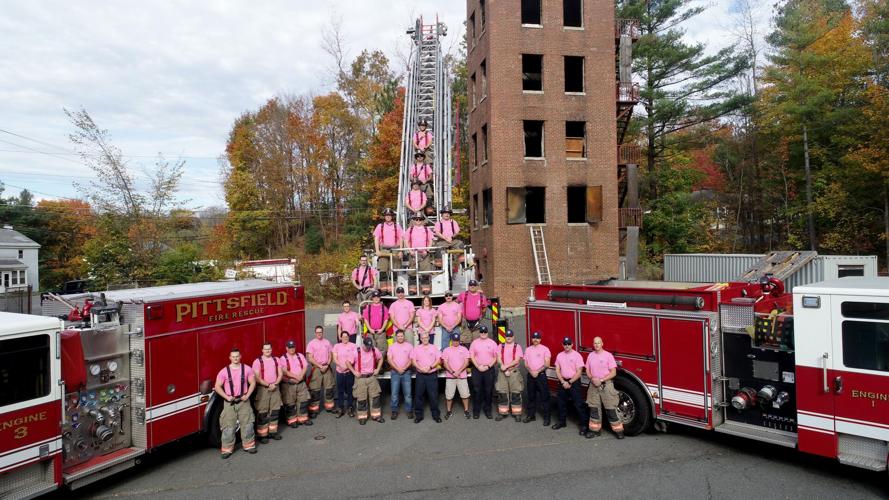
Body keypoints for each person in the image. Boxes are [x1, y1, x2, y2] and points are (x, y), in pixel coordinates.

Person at [214, 348, 257, 458]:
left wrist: (247, 396)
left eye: (237, 356)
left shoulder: (247, 369)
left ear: (240, 356)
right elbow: (217, 386)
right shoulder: (224, 371)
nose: (235, 358)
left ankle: (249, 445)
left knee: (247, 424)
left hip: (244, 401)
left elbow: (253, 383)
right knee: (228, 426)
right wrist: (227, 397)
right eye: (233, 356)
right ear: (230, 358)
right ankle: (227, 449)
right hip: (230, 403)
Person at [584, 336, 624, 439]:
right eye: (595, 343)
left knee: (611, 408)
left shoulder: (608, 356)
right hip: (593, 385)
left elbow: (613, 372)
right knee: (594, 408)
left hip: (606, 385)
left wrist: (601, 380)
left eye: (598, 343)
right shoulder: (590, 356)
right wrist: (592, 378)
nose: (596, 345)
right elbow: (587, 370)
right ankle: (594, 430)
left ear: (602, 343)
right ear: (593, 345)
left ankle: (619, 431)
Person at [553, 337, 591, 437]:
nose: (567, 346)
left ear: (572, 344)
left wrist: (569, 382)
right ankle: (562, 422)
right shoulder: (559, 355)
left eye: (569, 344)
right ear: (562, 345)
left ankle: (584, 426)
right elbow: (557, 369)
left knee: (579, 405)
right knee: (561, 404)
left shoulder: (577, 355)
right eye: (565, 344)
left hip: (574, 382)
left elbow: (579, 371)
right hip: (563, 382)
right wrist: (562, 381)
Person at [252, 342, 283, 443]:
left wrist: (275, 384)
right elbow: (257, 377)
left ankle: (273, 432)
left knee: (275, 411)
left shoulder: (276, 359)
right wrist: (268, 385)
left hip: (275, 387)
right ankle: (262, 435)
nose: (267, 351)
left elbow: (280, 374)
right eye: (265, 349)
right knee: (263, 412)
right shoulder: (257, 361)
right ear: (262, 350)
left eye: (269, 349)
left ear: (271, 349)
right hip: (263, 389)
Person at [351, 337, 385, 425]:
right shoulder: (356, 351)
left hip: (372, 377)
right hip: (361, 379)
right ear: (363, 344)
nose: (368, 348)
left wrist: (378, 369)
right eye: (367, 346)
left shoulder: (374, 350)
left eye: (370, 346)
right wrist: (354, 372)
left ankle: (376, 416)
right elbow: (348, 362)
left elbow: (381, 358)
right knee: (361, 398)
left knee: (375, 397)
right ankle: (362, 417)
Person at [410, 331, 442, 423]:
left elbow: (438, 360)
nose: (425, 339)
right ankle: (419, 416)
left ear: (429, 338)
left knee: (433, 396)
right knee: (419, 396)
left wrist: (430, 367)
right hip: (420, 375)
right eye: (423, 338)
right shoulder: (416, 349)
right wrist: (420, 368)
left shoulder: (434, 348)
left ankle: (436, 415)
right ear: (420, 338)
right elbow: (413, 361)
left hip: (431, 375)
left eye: (426, 337)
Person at [280, 340, 312, 429]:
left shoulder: (300, 355)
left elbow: (305, 366)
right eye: (290, 347)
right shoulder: (283, 359)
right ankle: (292, 420)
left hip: (301, 383)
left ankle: (303, 418)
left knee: (303, 401)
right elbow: (284, 371)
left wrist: (301, 376)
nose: (292, 349)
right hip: (289, 384)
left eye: (293, 347)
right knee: (290, 403)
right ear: (286, 348)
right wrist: (296, 377)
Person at [495, 329, 524, 422]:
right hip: (502, 373)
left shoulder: (517, 346)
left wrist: (506, 367)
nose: (508, 338)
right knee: (502, 392)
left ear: (513, 337)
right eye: (507, 336)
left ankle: (517, 413)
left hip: (513, 372)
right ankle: (503, 412)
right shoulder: (500, 346)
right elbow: (498, 358)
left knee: (515, 392)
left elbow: (517, 360)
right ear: (505, 337)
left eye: (510, 336)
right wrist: (502, 367)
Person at [523, 331, 552, 425]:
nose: (535, 340)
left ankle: (547, 418)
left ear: (540, 339)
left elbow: (547, 364)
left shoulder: (545, 349)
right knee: (531, 396)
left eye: (537, 338)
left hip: (541, 376)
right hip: (531, 375)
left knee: (545, 397)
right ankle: (531, 415)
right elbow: (525, 364)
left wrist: (537, 372)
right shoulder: (528, 349)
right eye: (534, 338)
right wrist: (531, 372)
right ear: (532, 339)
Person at [306, 325, 335, 416]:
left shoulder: (327, 342)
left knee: (329, 388)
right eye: (317, 332)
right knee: (315, 390)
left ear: (323, 332)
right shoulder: (311, 344)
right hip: (316, 368)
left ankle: (329, 407)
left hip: (326, 367)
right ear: (315, 333)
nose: (319, 334)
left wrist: (327, 364)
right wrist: (319, 366)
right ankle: (314, 410)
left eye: (320, 332)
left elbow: (331, 355)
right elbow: (310, 358)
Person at [469, 326, 497, 419]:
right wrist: (477, 366)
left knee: (488, 391)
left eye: (485, 332)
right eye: (482, 332)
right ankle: (476, 411)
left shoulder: (492, 343)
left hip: (488, 369)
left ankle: (488, 410)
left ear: (487, 333)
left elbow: (495, 357)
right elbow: (472, 356)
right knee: (477, 390)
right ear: (479, 333)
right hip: (477, 369)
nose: (483, 334)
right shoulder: (474, 343)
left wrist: (488, 366)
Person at [441, 332, 472, 419]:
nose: (455, 342)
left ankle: (466, 410)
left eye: (457, 340)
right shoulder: (446, 350)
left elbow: (466, 362)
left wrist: (458, 371)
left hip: (461, 376)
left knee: (465, 395)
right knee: (449, 395)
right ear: (451, 340)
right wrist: (452, 372)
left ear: (459, 341)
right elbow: (445, 363)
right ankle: (449, 411)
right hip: (450, 376)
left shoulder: (464, 349)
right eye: (454, 340)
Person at [387, 329, 414, 420]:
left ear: (404, 336)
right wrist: (397, 369)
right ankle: (394, 411)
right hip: (395, 372)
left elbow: (412, 359)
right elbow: (389, 359)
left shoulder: (409, 346)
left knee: (408, 394)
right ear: (396, 337)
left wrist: (404, 368)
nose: (400, 337)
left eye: (401, 336)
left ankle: (409, 410)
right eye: (398, 336)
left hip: (406, 372)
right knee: (394, 394)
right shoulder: (391, 346)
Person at [331, 331, 357, 418]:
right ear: (341, 337)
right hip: (339, 372)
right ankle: (341, 408)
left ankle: (350, 408)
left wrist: (347, 367)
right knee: (340, 391)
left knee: (350, 391)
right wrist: (341, 366)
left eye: (347, 337)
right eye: (343, 337)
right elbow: (334, 358)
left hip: (349, 372)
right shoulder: (336, 346)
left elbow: (354, 358)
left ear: (349, 337)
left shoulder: (353, 346)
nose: (345, 338)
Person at [404, 215, 435, 288]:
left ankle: (425, 287)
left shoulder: (427, 229)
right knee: (412, 270)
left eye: (420, 219)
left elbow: (430, 241)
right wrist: (410, 250)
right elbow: (406, 241)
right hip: (413, 253)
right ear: (414, 220)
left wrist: (427, 250)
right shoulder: (410, 229)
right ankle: (413, 288)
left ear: (423, 220)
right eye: (416, 219)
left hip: (424, 253)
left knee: (425, 270)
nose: (418, 221)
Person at [373, 208, 404, 281]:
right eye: (386, 215)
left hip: (395, 250)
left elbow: (401, 238)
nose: (388, 216)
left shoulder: (397, 226)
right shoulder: (380, 226)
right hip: (383, 250)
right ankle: (384, 290)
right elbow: (376, 238)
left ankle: (392, 289)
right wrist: (377, 250)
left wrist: (401, 251)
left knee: (394, 271)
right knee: (383, 270)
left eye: (389, 215)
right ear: (384, 216)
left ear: (392, 216)